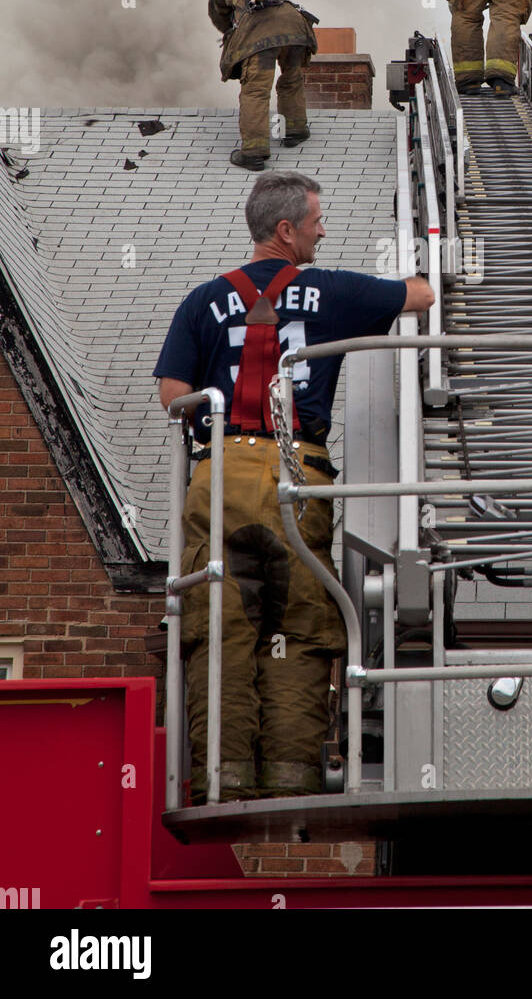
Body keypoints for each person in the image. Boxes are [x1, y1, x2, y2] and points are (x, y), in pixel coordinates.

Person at [154, 170, 434, 802]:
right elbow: (421, 297)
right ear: (286, 231)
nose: (323, 230)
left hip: (217, 475)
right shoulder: (331, 291)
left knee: (219, 626)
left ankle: (221, 781)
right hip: (295, 474)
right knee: (297, 628)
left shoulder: (203, 299)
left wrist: (219, 420)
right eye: (315, 221)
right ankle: (288, 783)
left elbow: (173, 395)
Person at [208, 0, 318, 172]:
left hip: (258, 37)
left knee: (256, 91)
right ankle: (295, 130)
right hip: (294, 29)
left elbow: (218, 15)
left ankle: (254, 151)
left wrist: (236, 31)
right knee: (291, 78)